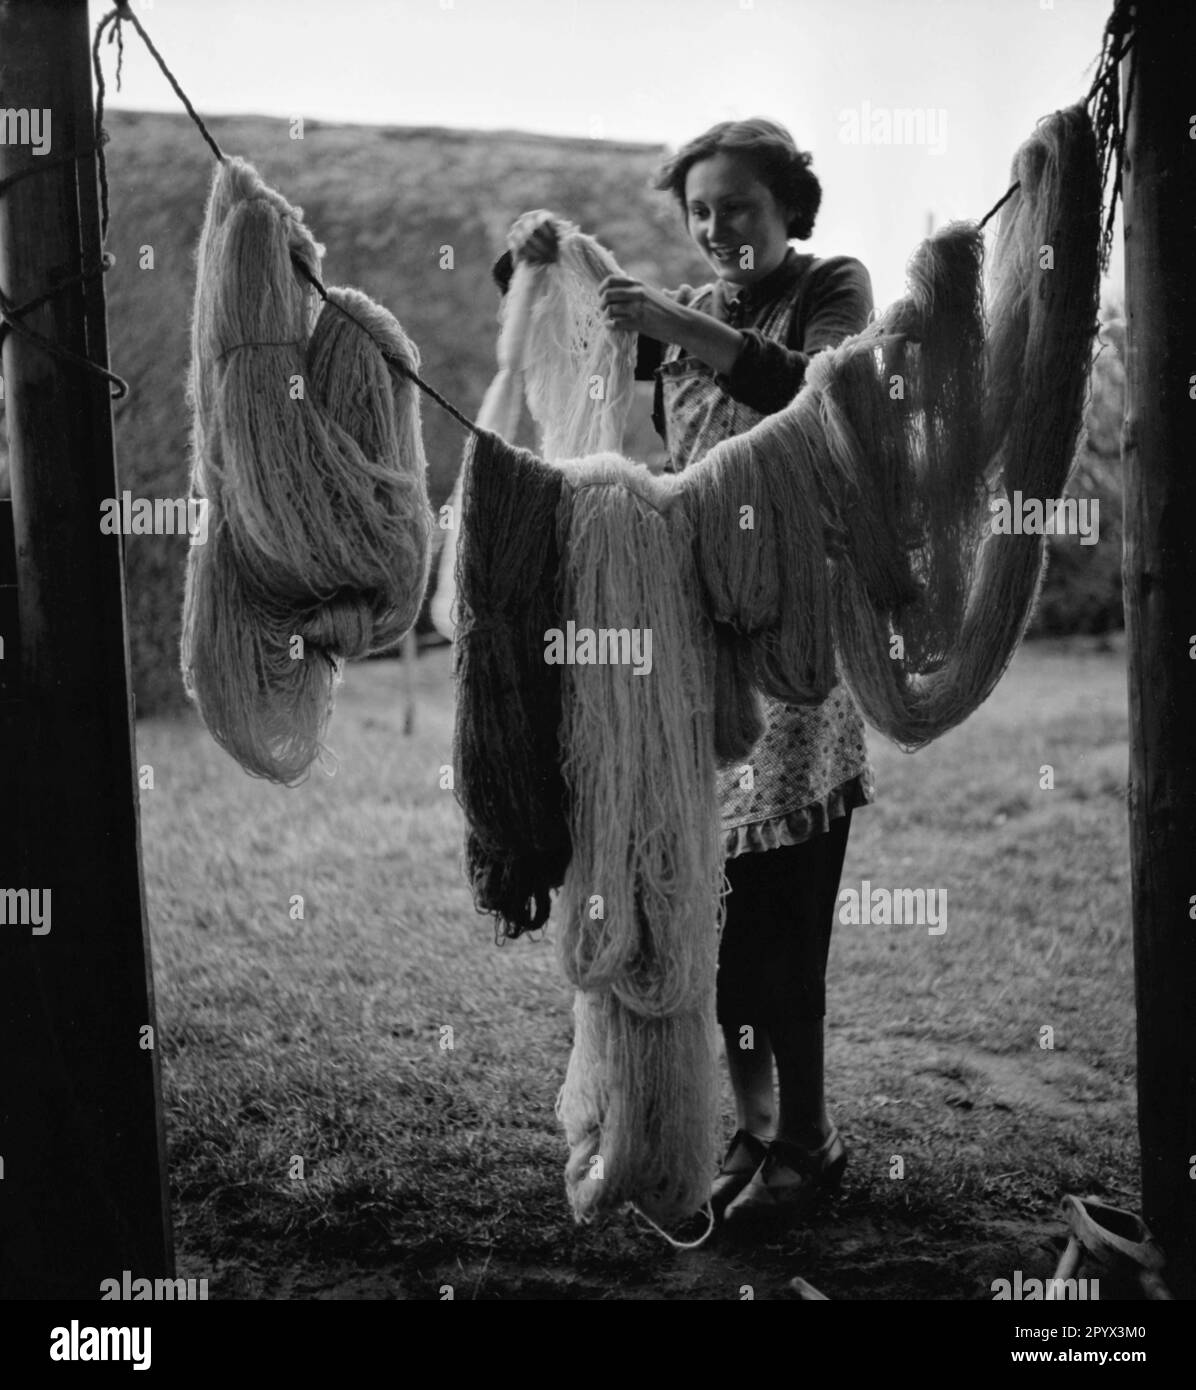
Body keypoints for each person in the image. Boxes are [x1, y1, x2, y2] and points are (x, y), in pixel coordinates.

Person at [495, 117, 875, 1227]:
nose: (717, 230)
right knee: (719, 923)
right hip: (702, 655)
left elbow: (821, 396)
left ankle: (806, 1143)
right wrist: (545, 252)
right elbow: (589, 340)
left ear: (787, 209)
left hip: (793, 660)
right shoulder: (691, 313)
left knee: (783, 925)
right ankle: (756, 1136)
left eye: (738, 209)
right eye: (700, 212)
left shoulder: (827, 288)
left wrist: (674, 324)